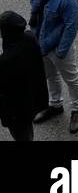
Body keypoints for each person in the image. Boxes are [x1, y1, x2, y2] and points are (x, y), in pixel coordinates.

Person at [29, 0, 78, 134]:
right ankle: (55, 105)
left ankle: (77, 109)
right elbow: (34, 12)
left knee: (71, 78)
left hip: (59, 48)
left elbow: (71, 26)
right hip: (41, 45)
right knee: (51, 76)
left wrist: (61, 51)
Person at [0, 11, 47, 142]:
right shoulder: (29, 39)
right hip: (32, 97)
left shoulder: (5, 61)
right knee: (27, 131)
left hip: (16, 111)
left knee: (22, 135)